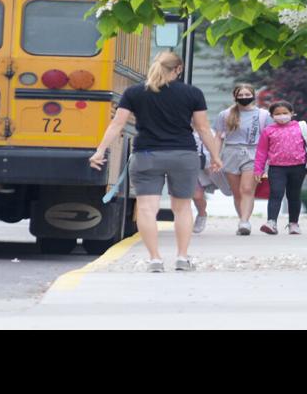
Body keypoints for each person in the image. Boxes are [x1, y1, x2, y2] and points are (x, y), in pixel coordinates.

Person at [89, 50, 221, 272]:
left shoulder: (134, 92)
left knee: (147, 209)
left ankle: (154, 259)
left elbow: (117, 124)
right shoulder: (192, 93)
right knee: (182, 208)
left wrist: (100, 151)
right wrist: (215, 155)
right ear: (178, 69)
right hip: (183, 156)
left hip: (146, 156)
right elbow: (203, 128)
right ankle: (181, 257)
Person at [253, 101, 307, 235]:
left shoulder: (301, 127)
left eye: (284, 113)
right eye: (277, 114)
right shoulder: (268, 131)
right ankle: (271, 222)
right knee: (276, 193)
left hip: (298, 167)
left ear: (292, 114)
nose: (281, 116)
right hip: (276, 168)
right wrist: (258, 169)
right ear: (272, 116)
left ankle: (294, 223)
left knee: (293, 195)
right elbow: (262, 151)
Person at [215, 83, 271, 235]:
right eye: (241, 95)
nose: (244, 98)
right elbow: (219, 137)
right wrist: (215, 156)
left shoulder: (263, 115)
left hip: (254, 153)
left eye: (247, 95)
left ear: (253, 96)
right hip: (231, 152)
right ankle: (242, 219)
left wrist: (268, 158)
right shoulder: (225, 115)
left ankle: (245, 221)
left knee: (246, 189)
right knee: (237, 192)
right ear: (235, 97)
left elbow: (269, 137)